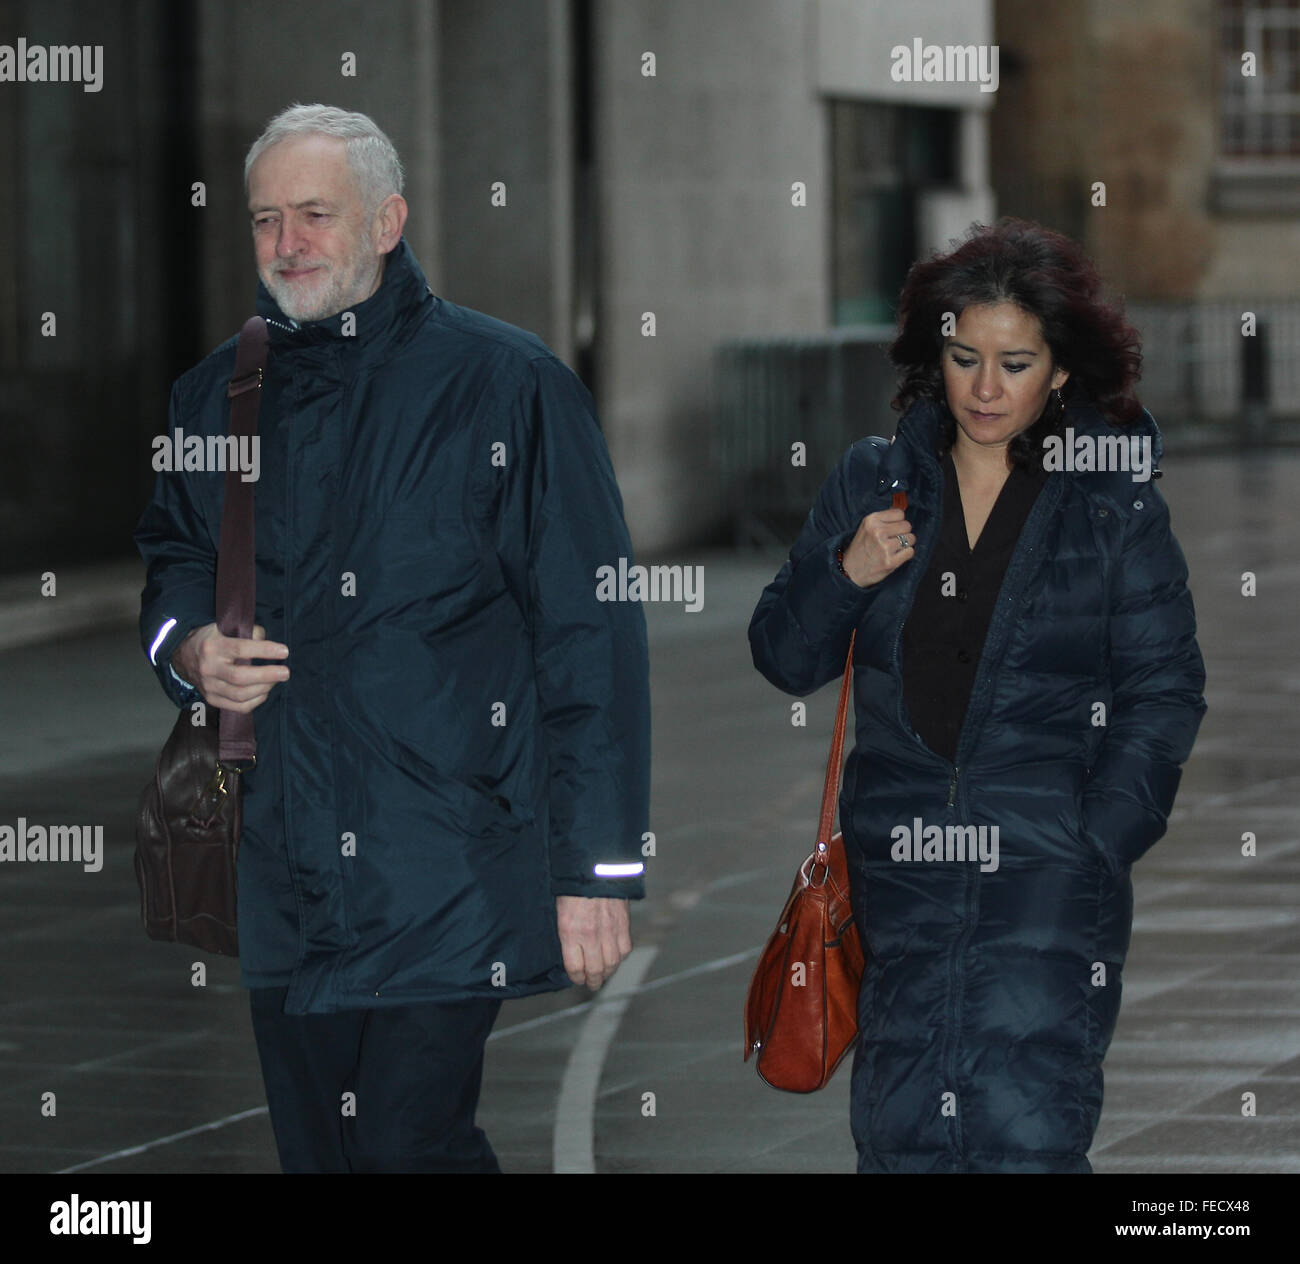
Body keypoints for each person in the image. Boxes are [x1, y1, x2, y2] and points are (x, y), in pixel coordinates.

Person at [134, 104, 650, 1173]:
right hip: (279, 859)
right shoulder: (212, 396)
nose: (287, 245)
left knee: (409, 1144)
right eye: (267, 219)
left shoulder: (508, 385)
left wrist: (596, 867)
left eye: (315, 214)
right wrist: (186, 647)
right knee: (323, 1154)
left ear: (387, 219)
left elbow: (588, 631)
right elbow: (173, 559)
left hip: (451, 855)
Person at [749, 218, 1206, 1174]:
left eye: (1015, 362)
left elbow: (1163, 685)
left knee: (1026, 1128)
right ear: (935, 355)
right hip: (901, 857)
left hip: (1049, 866)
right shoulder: (876, 481)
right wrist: (846, 571)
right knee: (902, 1129)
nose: (986, 389)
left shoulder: (1111, 502)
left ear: (1062, 373)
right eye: (964, 358)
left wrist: (1102, 831)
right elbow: (787, 657)